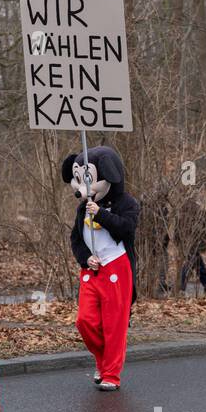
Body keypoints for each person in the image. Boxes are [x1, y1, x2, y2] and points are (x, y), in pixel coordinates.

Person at [62, 146, 140, 391]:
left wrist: (100, 215)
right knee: (85, 321)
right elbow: (75, 239)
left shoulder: (127, 203)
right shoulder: (80, 209)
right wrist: (85, 259)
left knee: (114, 325)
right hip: (92, 272)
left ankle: (111, 374)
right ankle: (103, 359)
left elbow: (126, 228)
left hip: (117, 269)